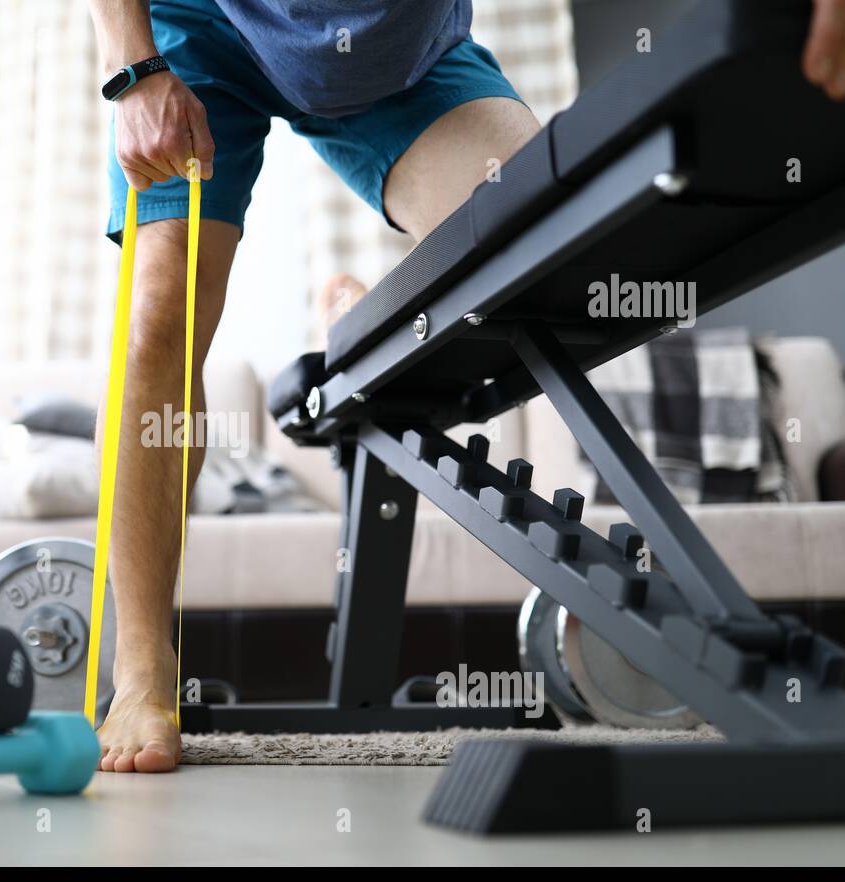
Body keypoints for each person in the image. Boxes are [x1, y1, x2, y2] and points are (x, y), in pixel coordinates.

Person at [85, 0, 845, 774]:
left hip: (394, 66)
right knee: (158, 319)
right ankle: (143, 665)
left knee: (546, 255)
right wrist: (135, 71)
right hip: (201, 32)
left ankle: (357, 312)